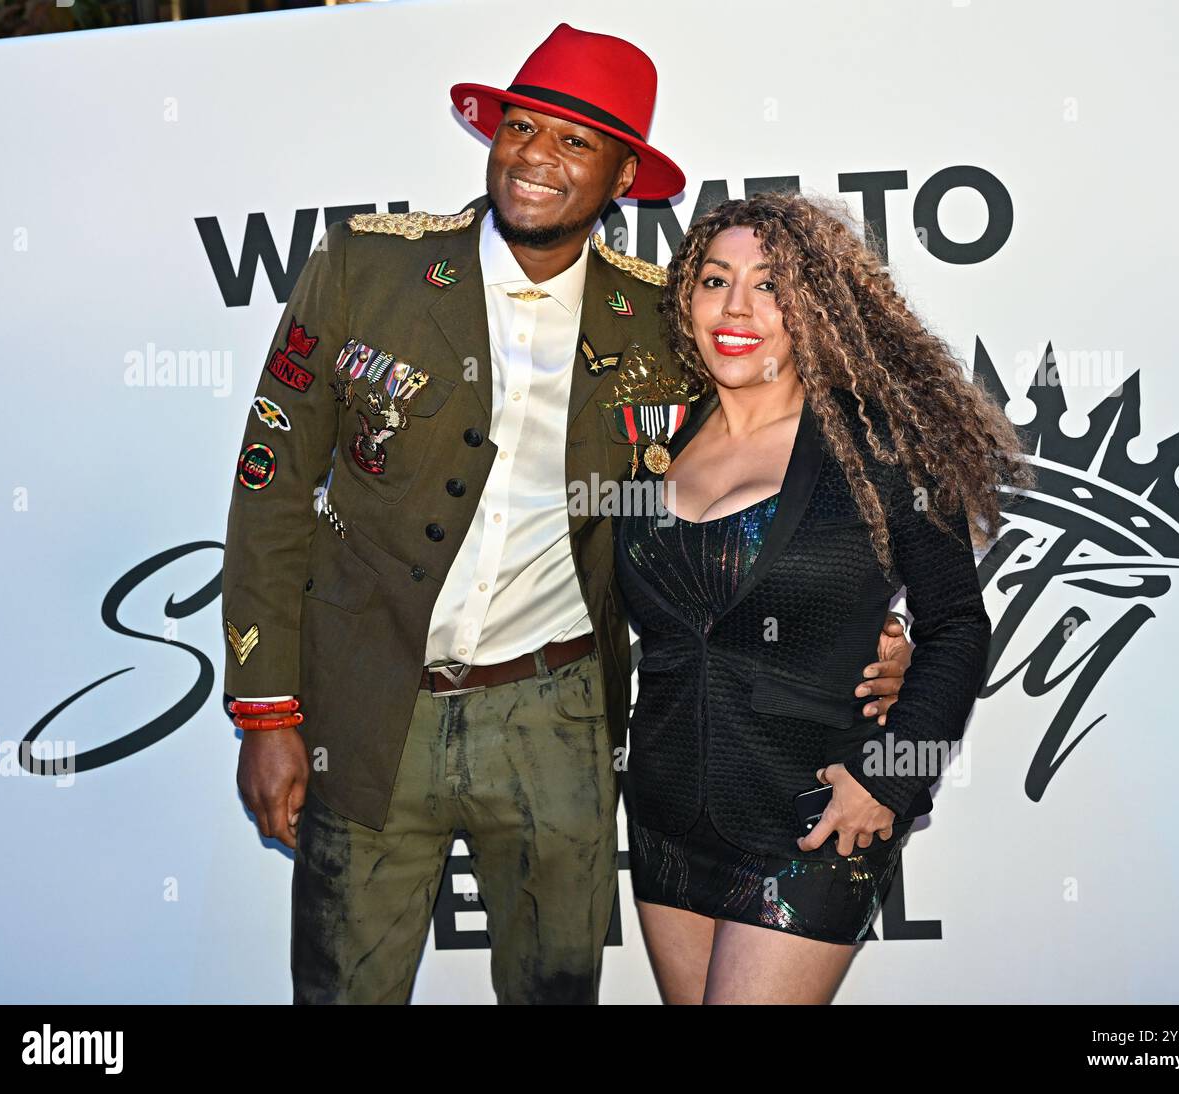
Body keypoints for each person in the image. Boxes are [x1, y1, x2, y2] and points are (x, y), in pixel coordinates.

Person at [221, 24, 912, 1005]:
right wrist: (266, 707)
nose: (535, 157)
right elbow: (271, 486)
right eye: (521, 126)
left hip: (561, 714)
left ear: (625, 174)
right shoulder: (363, 270)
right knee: (342, 986)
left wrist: (875, 627)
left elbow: (773, 466)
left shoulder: (661, 320)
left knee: (554, 991)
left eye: (574, 141)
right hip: (369, 707)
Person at [615, 190, 1035, 1004]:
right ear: (685, 299)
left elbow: (953, 624)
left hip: (813, 814)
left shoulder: (879, 446)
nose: (737, 307)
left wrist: (889, 778)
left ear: (816, 305)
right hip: (669, 812)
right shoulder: (651, 442)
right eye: (714, 280)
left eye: (771, 285)